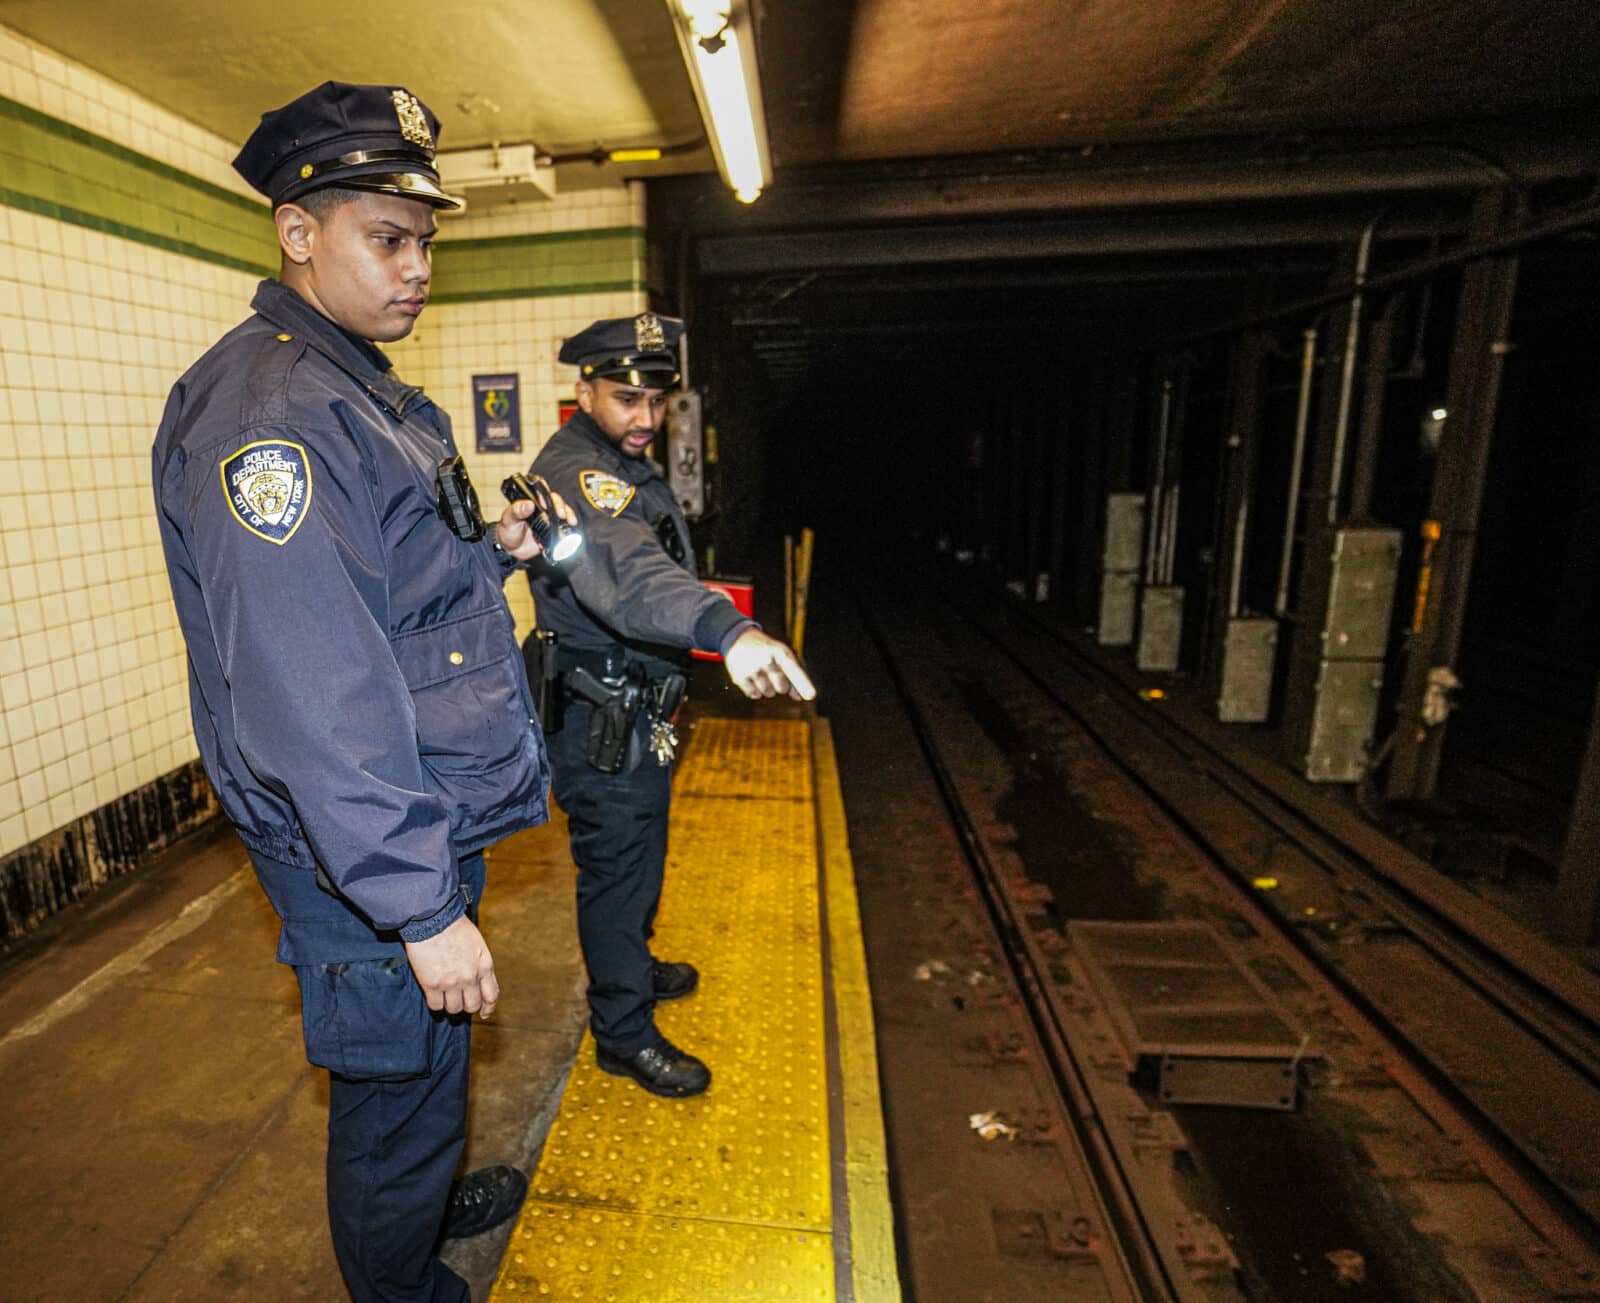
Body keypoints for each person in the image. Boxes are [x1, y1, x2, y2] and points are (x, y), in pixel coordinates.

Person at [151, 82, 569, 1303]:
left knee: (429, 1068)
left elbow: (383, 587)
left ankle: (425, 1204)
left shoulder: (349, 383)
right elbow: (310, 688)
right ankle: (405, 1278)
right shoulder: (275, 411)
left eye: (425, 240)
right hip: (366, 843)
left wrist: (490, 548)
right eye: (387, 238)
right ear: (297, 231)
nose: (416, 268)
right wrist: (417, 902)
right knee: (395, 1090)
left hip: (413, 807)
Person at [523, 314, 815, 1099]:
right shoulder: (580, 475)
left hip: (636, 708)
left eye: (657, 401)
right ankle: (622, 1032)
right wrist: (729, 630)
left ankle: (634, 964)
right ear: (582, 391)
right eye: (626, 399)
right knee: (616, 868)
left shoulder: (619, 459)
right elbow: (628, 572)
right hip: (600, 715)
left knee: (642, 854)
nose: (646, 419)